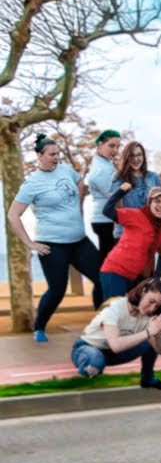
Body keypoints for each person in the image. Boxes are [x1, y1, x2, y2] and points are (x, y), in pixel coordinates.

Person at [6, 134, 103, 341]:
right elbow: (13, 215)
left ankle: (101, 325)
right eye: (52, 154)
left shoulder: (65, 170)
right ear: (40, 155)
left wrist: (76, 202)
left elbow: (79, 181)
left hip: (79, 241)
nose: (57, 157)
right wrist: (30, 243)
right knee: (57, 290)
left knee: (103, 279)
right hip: (52, 245)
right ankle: (39, 327)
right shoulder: (32, 184)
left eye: (58, 153)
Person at [71, 278, 161, 390]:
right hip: (88, 347)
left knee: (150, 341)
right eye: (151, 301)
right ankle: (88, 372)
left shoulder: (147, 317)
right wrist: (148, 332)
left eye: (156, 306)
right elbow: (116, 346)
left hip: (112, 354)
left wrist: (157, 334)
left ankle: (148, 379)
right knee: (96, 362)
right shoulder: (115, 306)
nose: (152, 308)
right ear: (143, 291)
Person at [97, 185, 161, 300]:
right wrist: (121, 191)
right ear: (149, 203)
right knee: (117, 308)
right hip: (115, 271)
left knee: (144, 308)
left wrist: (156, 279)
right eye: (157, 201)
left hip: (138, 277)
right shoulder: (135, 215)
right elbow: (107, 211)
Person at [80, 129, 123, 257]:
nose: (115, 150)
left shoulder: (106, 164)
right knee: (110, 261)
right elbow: (115, 195)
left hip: (107, 219)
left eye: (117, 147)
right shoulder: (101, 170)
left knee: (111, 260)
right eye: (111, 146)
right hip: (106, 221)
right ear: (100, 145)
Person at [113, 141, 161, 235]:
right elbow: (115, 211)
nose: (136, 159)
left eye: (139, 155)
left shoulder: (153, 177)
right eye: (132, 155)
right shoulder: (118, 177)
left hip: (149, 232)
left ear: (143, 157)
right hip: (126, 233)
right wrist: (120, 192)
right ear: (126, 157)